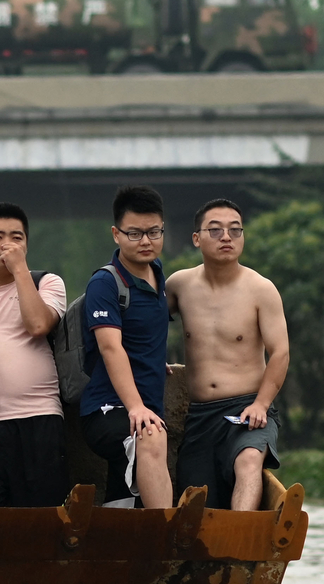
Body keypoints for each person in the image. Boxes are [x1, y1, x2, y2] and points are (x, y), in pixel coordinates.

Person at [167, 198, 290, 511]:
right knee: (196, 498)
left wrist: (262, 404)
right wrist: (152, 361)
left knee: (248, 461)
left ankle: (241, 542)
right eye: (216, 230)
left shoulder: (261, 289)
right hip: (199, 415)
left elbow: (280, 352)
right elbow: (146, 326)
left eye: (235, 231)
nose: (226, 237)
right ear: (196, 238)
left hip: (246, 408)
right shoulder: (179, 285)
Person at [0, 203, 68, 507]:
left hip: (39, 419)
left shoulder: (47, 282)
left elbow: (37, 324)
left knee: (42, 522)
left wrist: (19, 269)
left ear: (26, 244)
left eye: (16, 238)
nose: (7, 245)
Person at [80, 186, 172, 509]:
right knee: (150, 438)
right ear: (116, 234)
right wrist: (135, 407)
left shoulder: (158, 275)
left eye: (153, 232)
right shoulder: (106, 283)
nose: (146, 241)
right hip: (108, 410)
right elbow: (111, 349)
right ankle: (166, 538)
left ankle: (118, 551)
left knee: (124, 490)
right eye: (134, 233)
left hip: (146, 408)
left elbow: (146, 338)